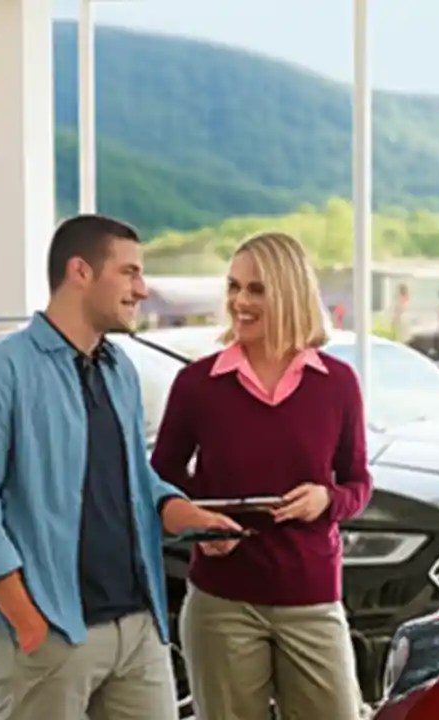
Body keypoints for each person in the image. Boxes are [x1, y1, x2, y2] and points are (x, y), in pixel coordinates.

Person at [0, 214, 244, 720]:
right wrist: (27, 621)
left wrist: (178, 511)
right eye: (128, 273)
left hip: (137, 629)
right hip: (49, 632)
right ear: (80, 271)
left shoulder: (119, 370)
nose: (142, 290)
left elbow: (134, 477)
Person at [151, 231, 372, 720]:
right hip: (222, 602)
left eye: (256, 289)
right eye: (233, 287)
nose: (239, 302)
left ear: (290, 293)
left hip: (310, 598)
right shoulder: (198, 384)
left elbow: (358, 482)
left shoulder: (336, 385)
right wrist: (197, 522)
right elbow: (162, 476)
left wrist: (326, 500)